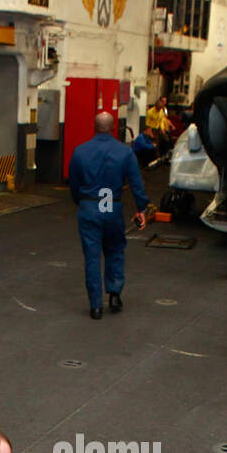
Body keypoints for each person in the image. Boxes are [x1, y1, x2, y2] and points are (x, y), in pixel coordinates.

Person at [68, 111, 149, 319]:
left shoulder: (80, 152)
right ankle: (114, 293)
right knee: (115, 250)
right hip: (111, 206)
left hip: (89, 206)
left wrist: (81, 202)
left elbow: (74, 184)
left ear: (93, 127)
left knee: (92, 256)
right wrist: (142, 208)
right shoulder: (125, 152)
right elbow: (136, 182)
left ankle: (96, 306)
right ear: (114, 128)